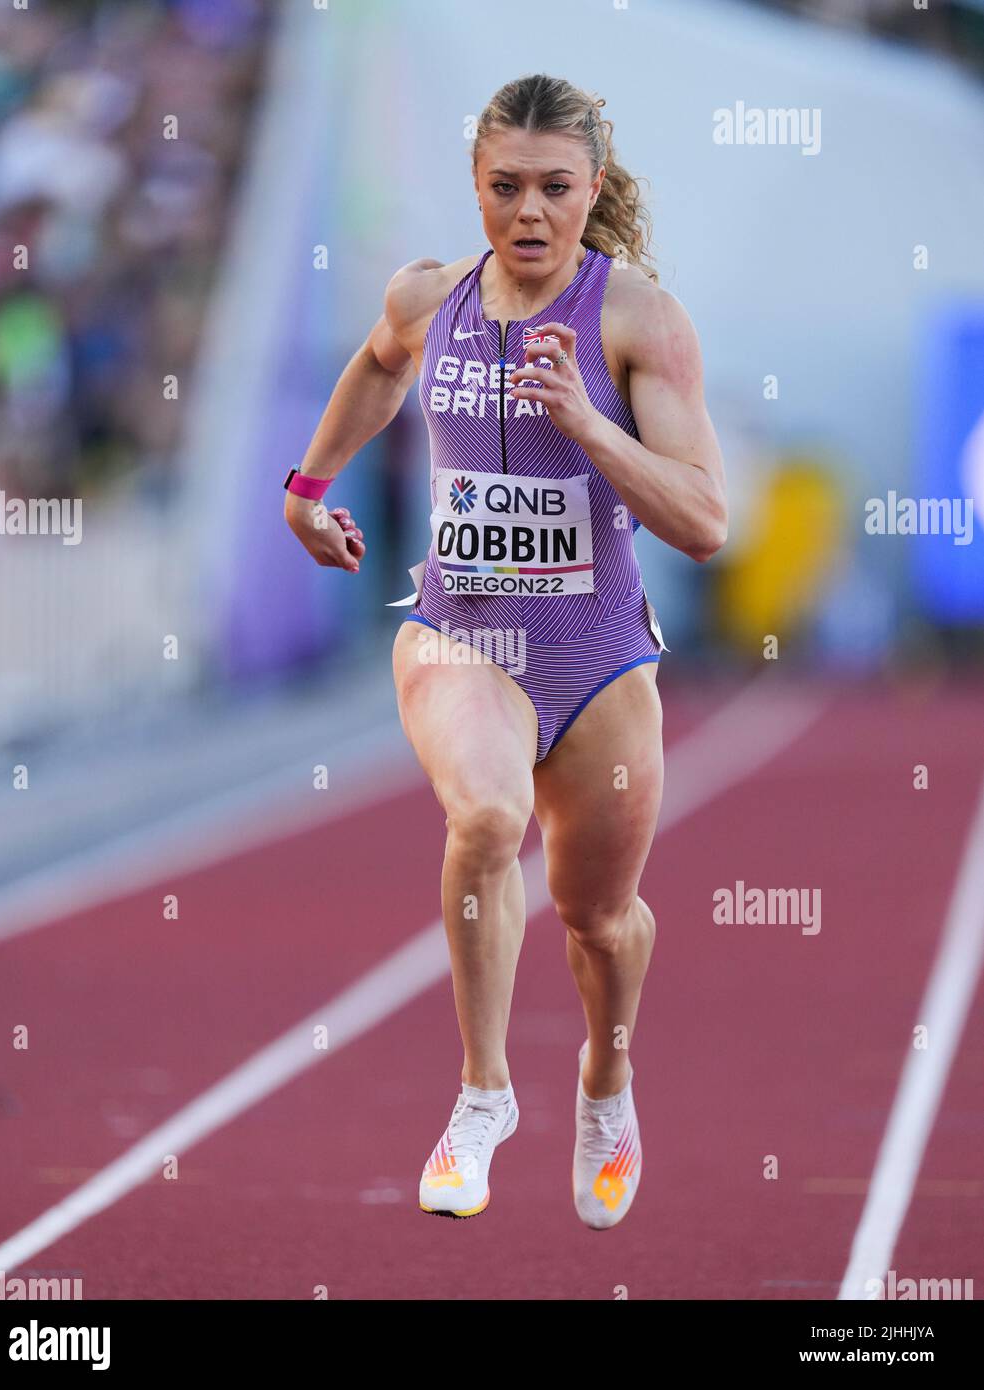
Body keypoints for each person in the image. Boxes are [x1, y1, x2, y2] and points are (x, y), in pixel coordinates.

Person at [284, 74, 727, 1227]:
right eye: (503, 187)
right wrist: (306, 485)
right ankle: (482, 1094)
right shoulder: (428, 297)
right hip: (457, 633)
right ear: (475, 184)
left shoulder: (635, 320)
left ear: (590, 191)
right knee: (482, 819)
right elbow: (382, 365)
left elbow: (704, 522)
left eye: (553, 189)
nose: (527, 212)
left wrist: (584, 423)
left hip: (597, 657)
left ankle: (604, 1083)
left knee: (598, 921)